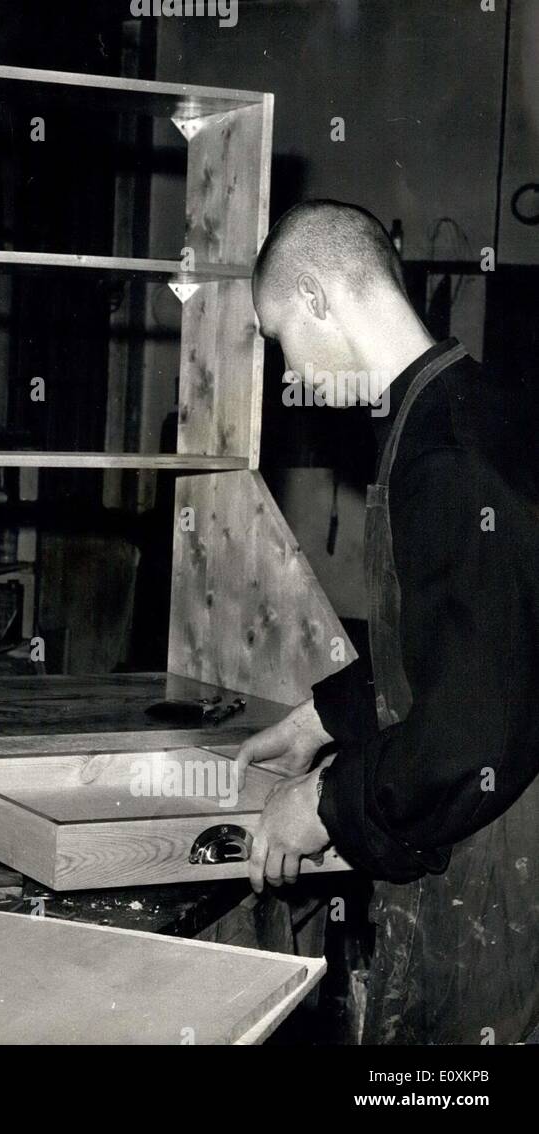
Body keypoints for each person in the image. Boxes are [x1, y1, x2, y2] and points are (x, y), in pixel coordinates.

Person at [234, 199, 539, 1044]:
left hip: (499, 874)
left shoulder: (448, 455)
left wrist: (326, 804)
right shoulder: (457, 406)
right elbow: (466, 637)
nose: (287, 367)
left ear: (321, 300)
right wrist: (324, 718)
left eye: (281, 334)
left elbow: (478, 725)